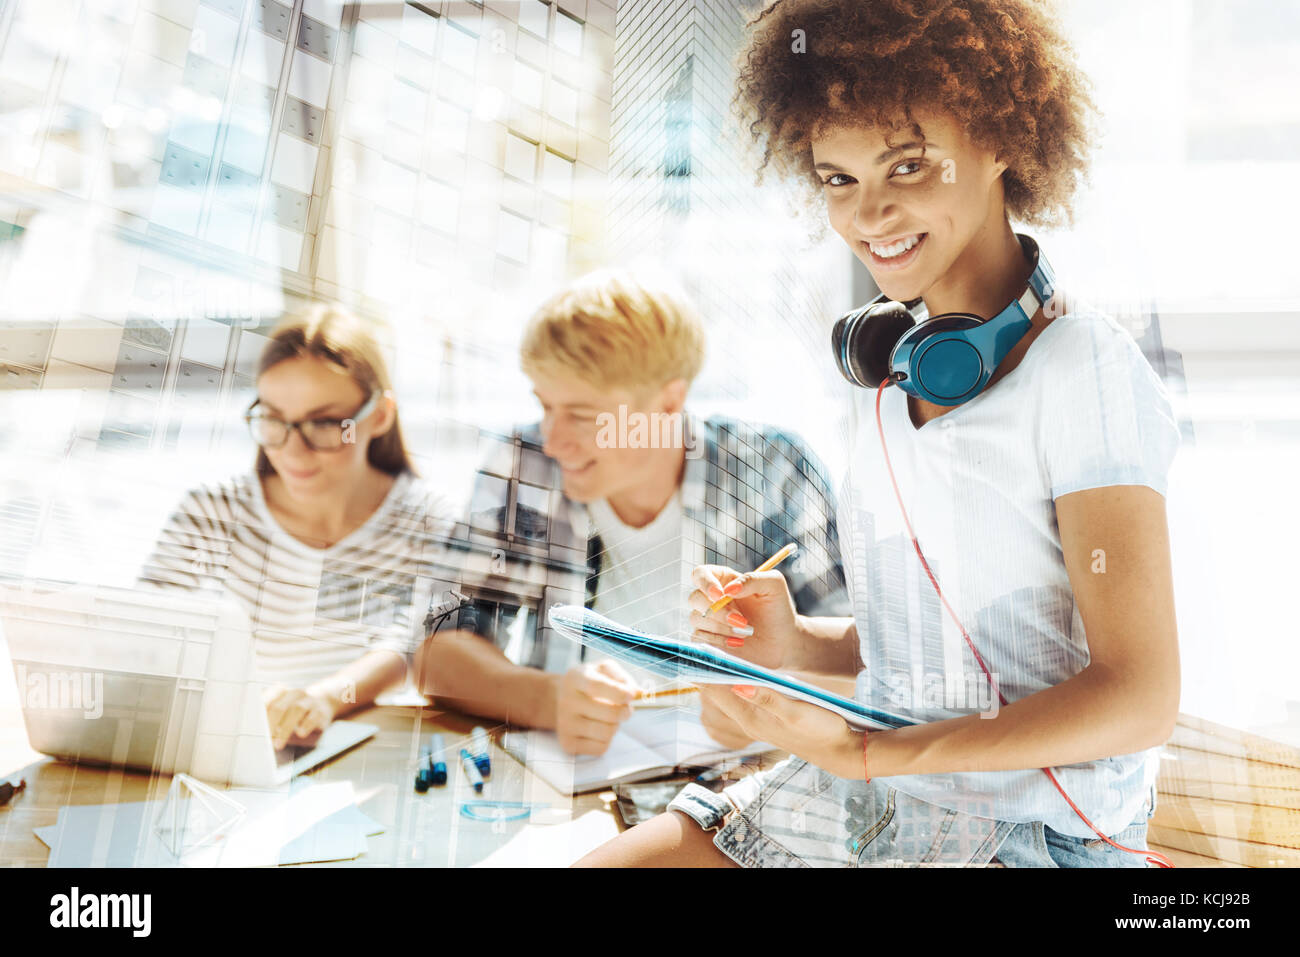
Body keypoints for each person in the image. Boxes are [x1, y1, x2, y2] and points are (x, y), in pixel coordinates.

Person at [577, 0, 1181, 867]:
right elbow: (947, 648)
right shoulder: (894, 373)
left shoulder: (1082, 368)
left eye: (908, 165)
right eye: (838, 179)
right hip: (879, 796)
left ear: (1000, 139)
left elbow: (1138, 697)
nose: (870, 214)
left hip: (1029, 834)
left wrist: (873, 752)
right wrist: (796, 641)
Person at [415, 269, 853, 756]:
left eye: (581, 415)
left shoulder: (772, 468)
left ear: (668, 403)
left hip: (748, 775)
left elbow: (859, 662)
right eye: (545, 406)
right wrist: (546, 699)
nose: (553, 440)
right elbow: (436, 653)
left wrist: (772, 708)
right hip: (578, 774)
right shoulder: (525, 463)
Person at [140, 305, 452, 749]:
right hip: (237, 745)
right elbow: (146, 632)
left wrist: (322, 700)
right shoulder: (211, 512)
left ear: (380, 416)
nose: (293, 451)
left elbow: (413, 642)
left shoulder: (428, 521)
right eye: (273, 420)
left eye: (324, 424)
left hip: (367, 755)